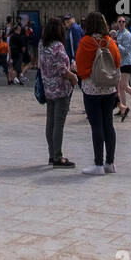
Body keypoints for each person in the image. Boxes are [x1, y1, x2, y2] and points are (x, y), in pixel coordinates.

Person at [74, 12, 122, 175]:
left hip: (92, 89)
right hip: (109, 89)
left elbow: (80, 66)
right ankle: (110, 163)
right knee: (108, 124)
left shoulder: (86, 42)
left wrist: (87, 74)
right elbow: (117, 63)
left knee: (96, 125)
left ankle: (98, 164)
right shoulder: (110, 42)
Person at [39, 17, 76, 168]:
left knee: (51, 123)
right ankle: (57, 156)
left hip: (48, 88)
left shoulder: (42, 45)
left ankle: (51, 154)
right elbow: (62, 70)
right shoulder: (58, 46)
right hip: (60, 89)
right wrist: (73, 76)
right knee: (58, 124)